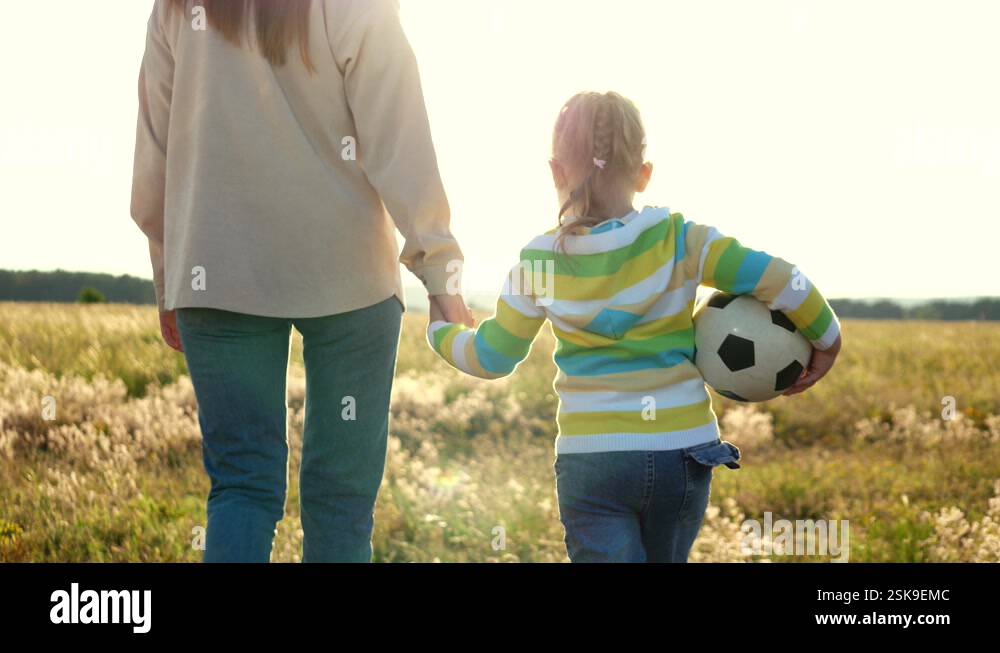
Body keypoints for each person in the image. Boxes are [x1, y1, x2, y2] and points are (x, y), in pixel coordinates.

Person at [427, 91, 842, 563]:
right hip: (680, 450)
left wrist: (441, 332)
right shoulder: (681, 240)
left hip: (593, 458)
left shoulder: (538, 264)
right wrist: (827, 340)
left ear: (556, 172)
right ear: (644, 174)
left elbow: (492, 359)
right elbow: (783, 281)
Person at [130, 0, 472, 562]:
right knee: (340, 504)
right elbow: (398, 137)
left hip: (216, 274)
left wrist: (168, 273)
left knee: (241, 486)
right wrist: (441, 274)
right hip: (351, 280)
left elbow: (155, 155)